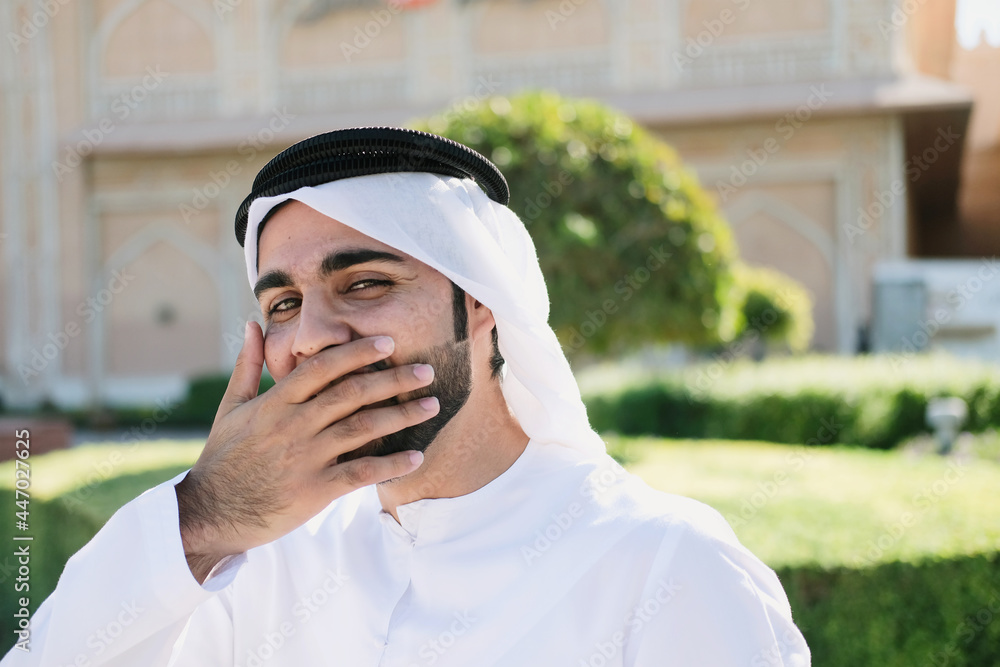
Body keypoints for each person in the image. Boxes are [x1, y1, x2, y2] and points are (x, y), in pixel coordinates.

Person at [2, 128, 810, 666]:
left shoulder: (665, 564)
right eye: (281, 304)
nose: (310, 335)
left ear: (483, 303)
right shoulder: (260, 564)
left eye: (365, 283)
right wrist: (204, 514)